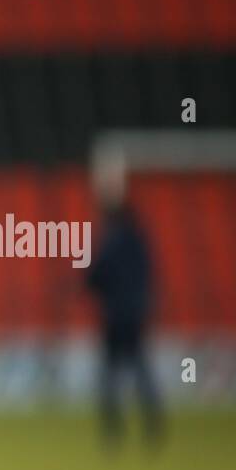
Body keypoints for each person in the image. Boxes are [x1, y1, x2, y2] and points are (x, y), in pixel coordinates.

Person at [86, 177, 163, 449]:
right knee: (140, 370)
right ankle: (153, 423)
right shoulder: (139, 241)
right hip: (135, 313)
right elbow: (148, 275)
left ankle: (112, 431)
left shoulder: (112, 240)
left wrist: (85, 283)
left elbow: (97, 276)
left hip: (115, 317)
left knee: (110, 375)